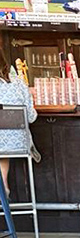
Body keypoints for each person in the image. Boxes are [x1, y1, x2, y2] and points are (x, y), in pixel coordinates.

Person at [0, 51, 38, 196]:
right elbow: (31, 117)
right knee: (3, 148)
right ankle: (3, 185)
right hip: (19, 144)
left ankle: (3, 187)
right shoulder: (19, 83)